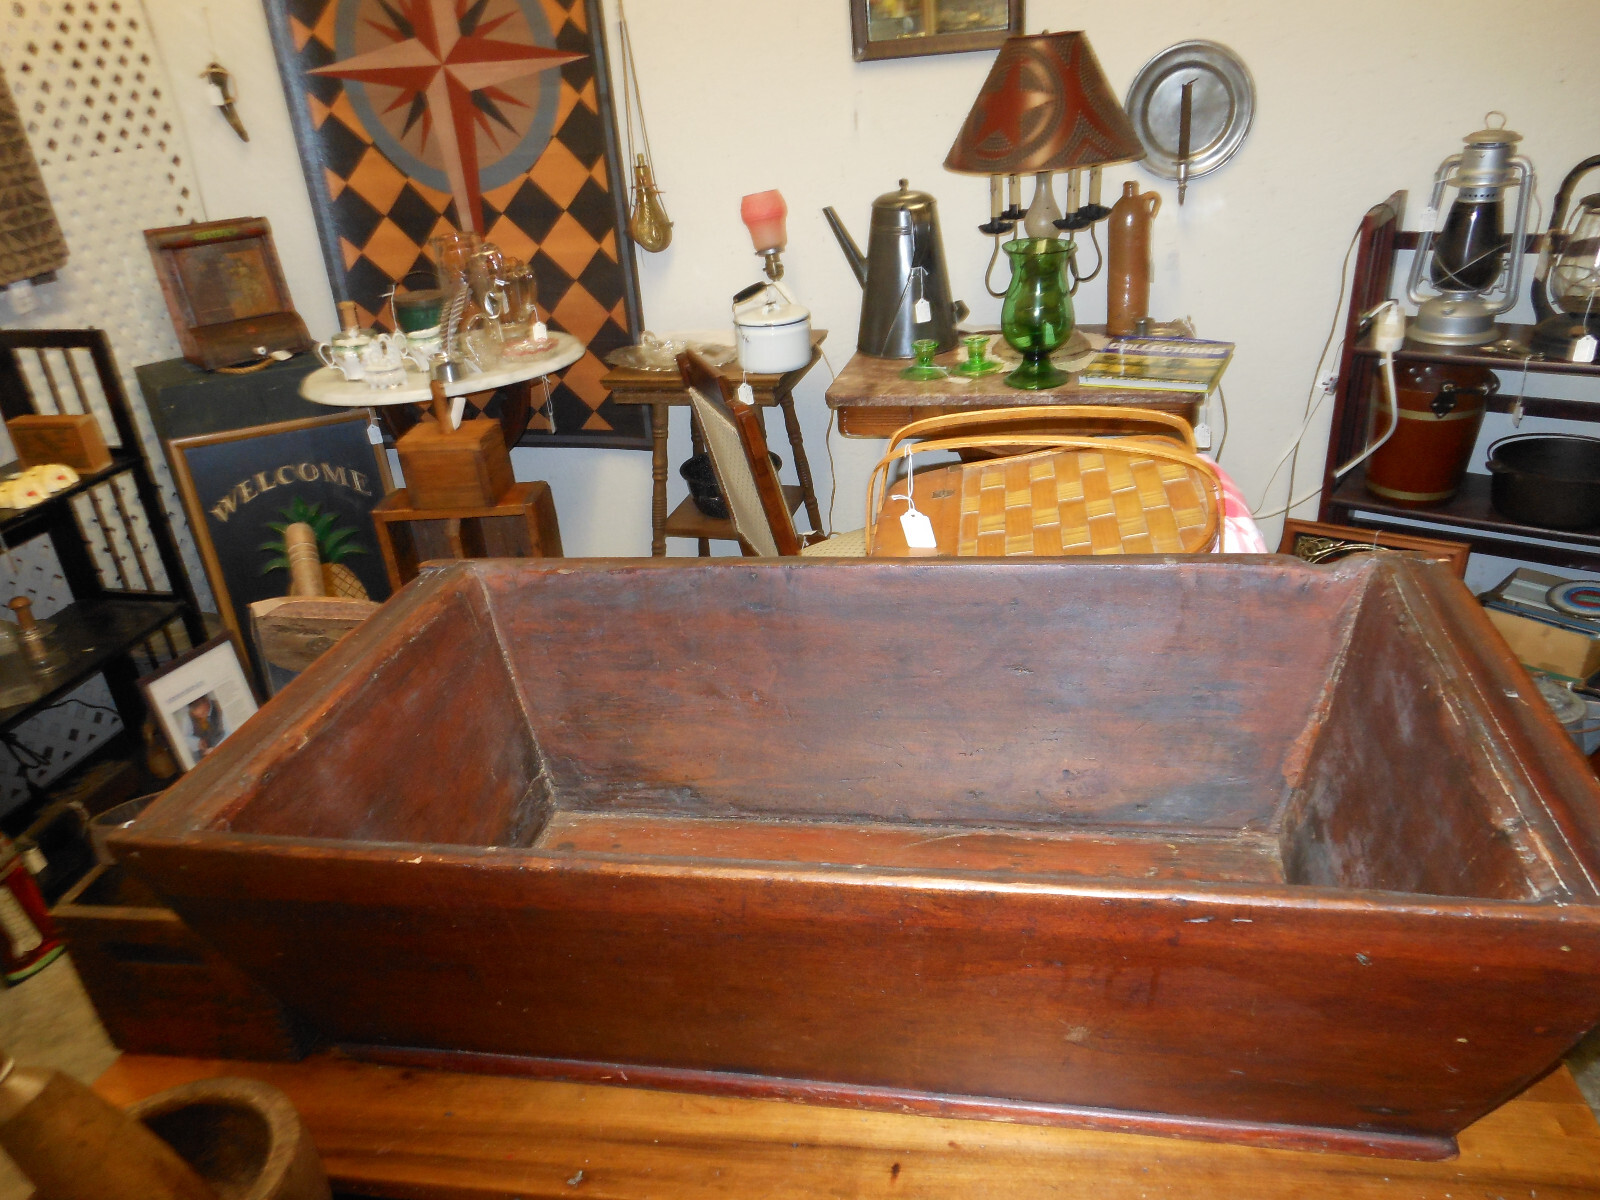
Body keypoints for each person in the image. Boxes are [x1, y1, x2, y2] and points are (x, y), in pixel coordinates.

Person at [186, 694, 227, 760]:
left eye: (203, 713)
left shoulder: (220, 705)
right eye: (198, 716)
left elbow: (230, 731)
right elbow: (185, 737)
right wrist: (197, 742)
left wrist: (217, 748)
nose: (202, 717)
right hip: (206, 753)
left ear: (206, 701)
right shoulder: (189, 716)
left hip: (224, 747)